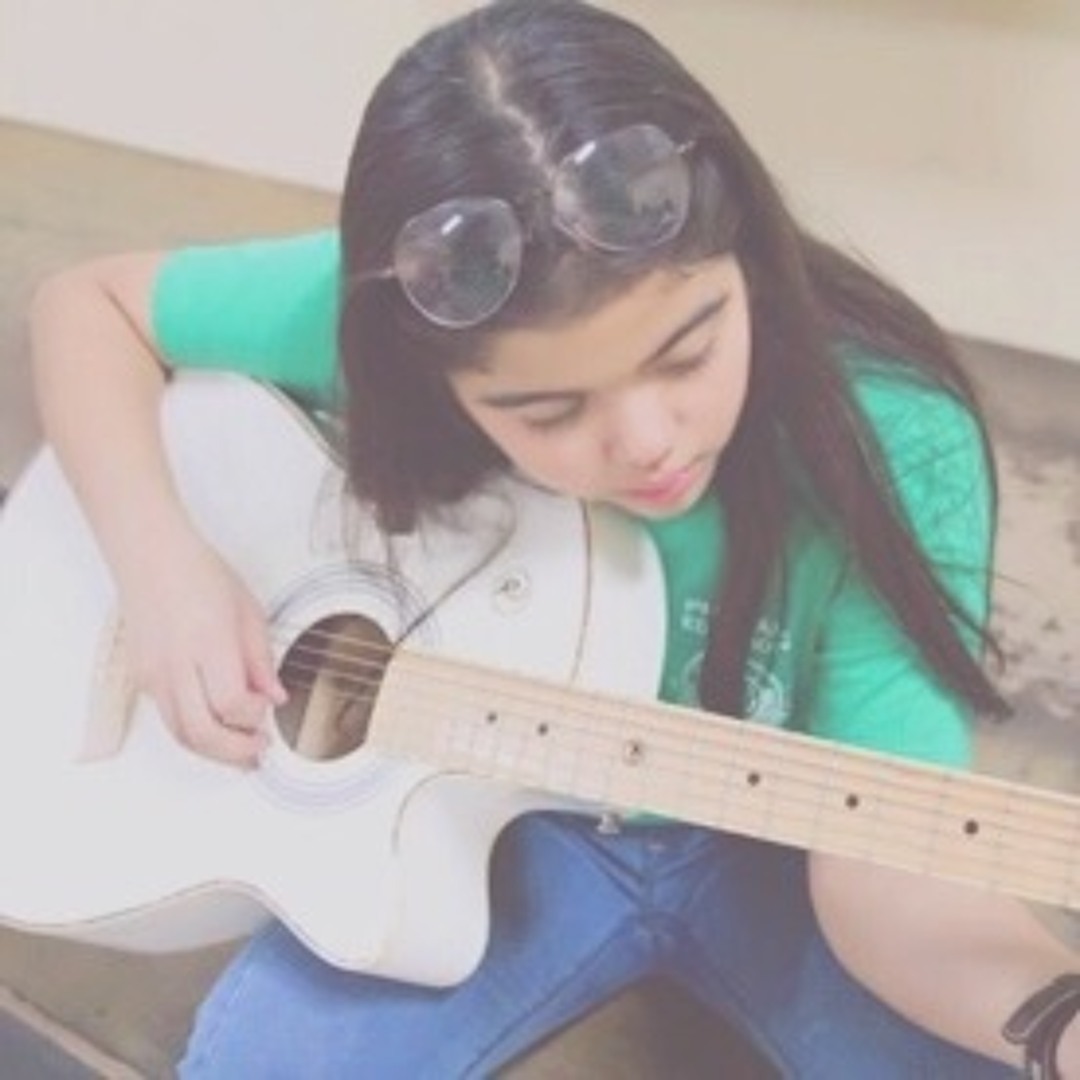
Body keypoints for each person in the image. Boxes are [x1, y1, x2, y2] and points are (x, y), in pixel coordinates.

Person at [28, 1, 1079, 1076]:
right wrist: (163, 570)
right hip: (487, 822)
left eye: (688, 352)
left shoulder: (892, 436)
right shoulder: (395, 318)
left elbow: (890, 872)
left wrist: (1055, 1022)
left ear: (750, 262)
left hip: (779, 838)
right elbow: (87, 305)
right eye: (547, 412)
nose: (649, 440)